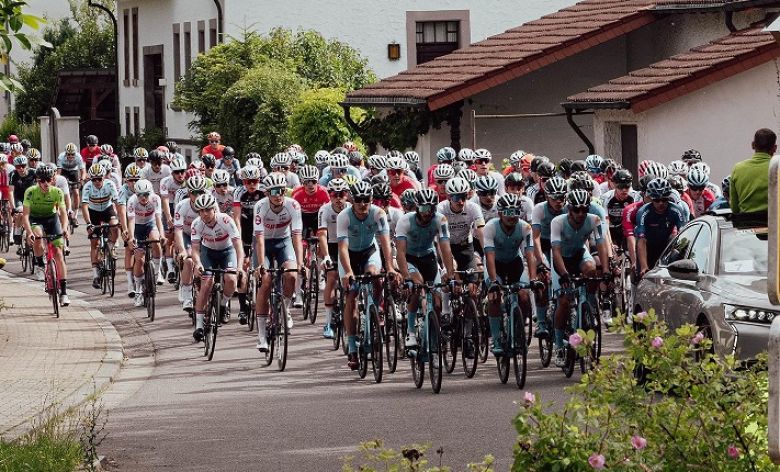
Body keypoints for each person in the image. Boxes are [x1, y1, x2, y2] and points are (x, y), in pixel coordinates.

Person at [336, 181, 397, 369]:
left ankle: (375, 310)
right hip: (350, 256)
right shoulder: (344, 216)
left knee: (376, 276)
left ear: (371, 199)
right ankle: (353, 347)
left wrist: (390, 267)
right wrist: (348, 272)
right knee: (351, 296)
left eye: (367, 200)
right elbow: (342, 248)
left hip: (369, 251)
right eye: (359, 200)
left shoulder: (378, 213)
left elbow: (385, 242)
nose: (363, 204)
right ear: (352, 200)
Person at [549, 189, 610, 367]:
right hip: (561, 260)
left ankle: (588, 305)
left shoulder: (594, 220)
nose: (581, 213)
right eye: (577, 210)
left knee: (592, 269)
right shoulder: (558, 222)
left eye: (584, 209)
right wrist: (564, 274)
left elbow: (601, 245)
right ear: (569, 209)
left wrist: (606, 270)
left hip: (579, 255)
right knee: (564, 301)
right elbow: (556, 251)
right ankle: (559, 345)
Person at [396, 189, 454, 348]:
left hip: (428, 257)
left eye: (431, 208)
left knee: (437, 302)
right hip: (410, 258)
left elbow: (445, 248)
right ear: (416, 207)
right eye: (423, 208)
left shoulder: (440, 219)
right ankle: (410, 332)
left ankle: (433, 340)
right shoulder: (405, 221)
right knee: (416, 285)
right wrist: (406, 277)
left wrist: (450, 274)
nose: (427, 212)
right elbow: (400, 253)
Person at [484, 194, 542, 349]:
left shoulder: (525, 227)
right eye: (508, 212)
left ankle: (518, 327)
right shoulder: (490, 227)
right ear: (500, 213)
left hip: (515, 262)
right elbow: (489, 256)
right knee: (494, 297)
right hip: (495, 264)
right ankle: (496, 338)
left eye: (515, 212)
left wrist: (533, 279)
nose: (512, 216)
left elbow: (530, 255)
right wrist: (494, 282)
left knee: (523, 296)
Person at [253, 172, 304, 352]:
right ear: (267, 193)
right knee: (266, 282)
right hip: (264, 244)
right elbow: (259, 239)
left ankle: (285, 309)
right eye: (274, 191)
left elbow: (296, 236)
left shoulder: (293, 205)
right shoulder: (260, 206)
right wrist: (261, 264)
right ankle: (261, 336)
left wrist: (300, 263)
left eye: (282, 190)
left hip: (284, 241)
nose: (278, 195)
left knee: (292, 274)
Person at [189, 193, 244, 342]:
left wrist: (239, 267)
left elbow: (238, 246)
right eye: (201, 211)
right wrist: (198, 263)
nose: (204, 214)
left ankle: (223, 304)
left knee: (231, 279)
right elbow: (195, 249)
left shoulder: (226, 220)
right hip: (208, 253)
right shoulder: (196, 224)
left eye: (207, 210)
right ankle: (199, 326)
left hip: (227, 251)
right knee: (206, 283)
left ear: (214, 209)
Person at [22, 165, 70, 305]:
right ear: (37, 181)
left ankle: (64, 293)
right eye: (42, 180)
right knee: (37, 236)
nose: (46, 183)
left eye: (48, 180)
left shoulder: (57, 192)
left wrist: (65, 228)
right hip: (35, 218)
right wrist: (29, 232)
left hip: (51, 219)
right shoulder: (31, 192)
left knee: (58, 253)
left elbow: (63, 213)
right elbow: (25, 216)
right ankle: (39, 264)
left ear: (53, 179)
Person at [317, 178, 350, 339]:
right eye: (334, 194)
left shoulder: (351, 208)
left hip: (349, 245)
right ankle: (328, 322)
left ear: (347, 195)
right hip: (331, 245)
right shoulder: (324, 210)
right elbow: (322, 235)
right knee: (332, 276)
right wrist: (326, 256)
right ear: (329, 195)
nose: (338, 198)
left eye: (341, 194)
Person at [636, 178, 687, 277]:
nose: (661, 203)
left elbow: (684, 236)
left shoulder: (676, 210)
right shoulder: (643, 212)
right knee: (641, 276)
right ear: (651, 198)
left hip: (665, 248)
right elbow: (642, 241)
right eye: (656, 200)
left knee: (674, 239)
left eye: (664, 199)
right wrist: (643, 267)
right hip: (647, 247)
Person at [125, 179, 165, 307]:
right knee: (139, 259)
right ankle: (138, 290)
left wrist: (162, 235)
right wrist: (131, 238)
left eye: (146, 194)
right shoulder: (132, 201)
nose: (143, 198)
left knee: (156, 241)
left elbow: (158, 219)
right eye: (140, 195)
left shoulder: (155, 199)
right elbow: (131, 221)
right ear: (136, 194)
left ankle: (157, 272)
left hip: (150, 224)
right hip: (137, 227)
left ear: (150, 193)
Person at [81, 164, 120, 289]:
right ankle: (96, 275)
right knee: (95, 243)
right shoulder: (87, 187)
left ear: (104, 178)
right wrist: (88, 223)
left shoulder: (110, 184)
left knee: (115, 226)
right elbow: (84, 206)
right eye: (94, 179)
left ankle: (110, 247)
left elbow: (117, 202)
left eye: (99, 179)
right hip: (93, 212)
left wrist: (120, 219)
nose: (97, 182)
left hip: (107, 209)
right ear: (91, 179)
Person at [730, 128, 775, 214]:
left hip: (746, 221)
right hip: (774, 221)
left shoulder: (737, 169)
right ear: (774, 148)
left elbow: (735, 209)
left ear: (753, 145)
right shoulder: (777, 167)